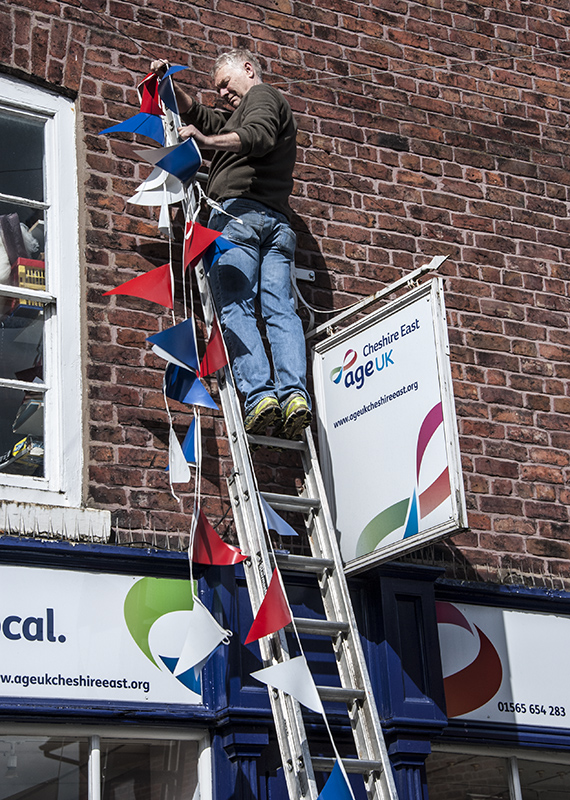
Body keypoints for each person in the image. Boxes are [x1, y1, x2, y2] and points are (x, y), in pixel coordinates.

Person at [150, 49, 311, 440]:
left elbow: (254, 136)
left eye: (225, 83)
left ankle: (259, 396)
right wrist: (169, 88)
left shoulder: (262, 97)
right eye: (217, 89)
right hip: (275, 226)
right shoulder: (247, 109)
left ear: (249, 69)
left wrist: (204, 140)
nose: (222, 93)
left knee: (237, 307)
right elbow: (202, 115)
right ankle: (293, 395)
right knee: (278, 309)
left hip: (240, 218)